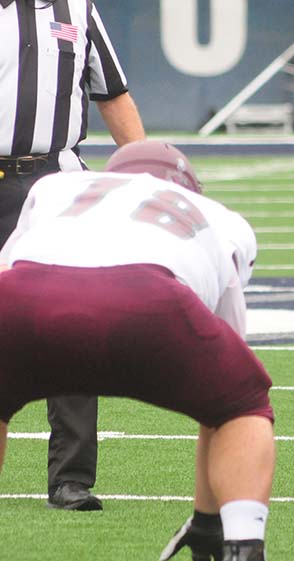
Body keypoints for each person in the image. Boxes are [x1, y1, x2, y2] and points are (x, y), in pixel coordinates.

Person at [0, 141, 273, 561]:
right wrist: (208, 518)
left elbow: (8, 265)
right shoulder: (220, 218)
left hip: (26, 295)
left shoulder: (56, 186)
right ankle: (243, 544)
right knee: (241, 405)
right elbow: (224, 383)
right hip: (147, 297)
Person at [1, 0, 146, 511]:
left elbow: (113, 93)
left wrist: (147, 176)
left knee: (72, 324)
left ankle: (72, 479)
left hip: (58, 183)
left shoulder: (77, 8)